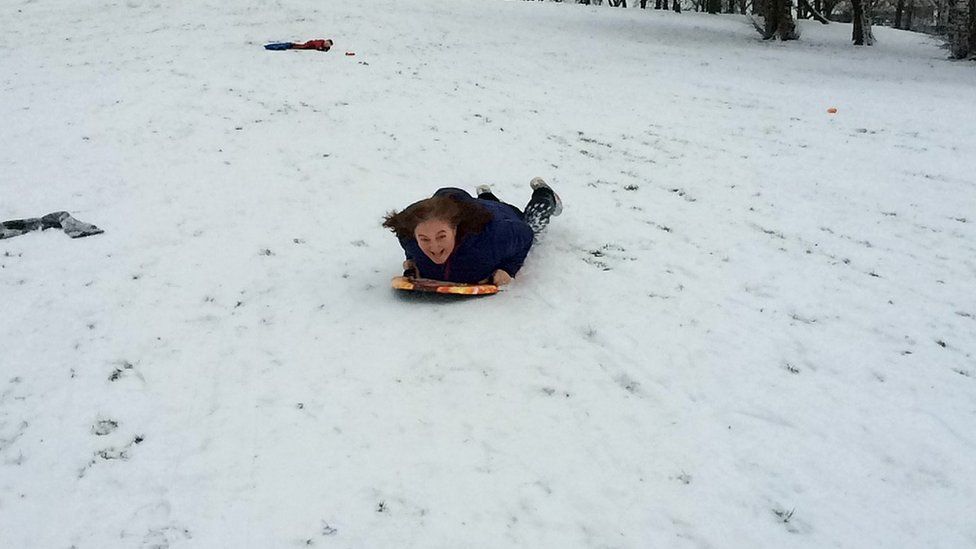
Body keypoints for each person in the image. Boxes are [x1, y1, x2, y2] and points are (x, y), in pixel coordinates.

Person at [382, 177, 562, 285]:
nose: (434, 246)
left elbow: (525, 235)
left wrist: (508, 269)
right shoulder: (409, 234)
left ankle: (545, 195)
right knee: (487, 206)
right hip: (470, 208)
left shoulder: (494, 235)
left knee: (533, 224)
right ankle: (486, 196)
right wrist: (411, 259)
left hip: (503, 216)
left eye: (441, 236)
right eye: (424, 239)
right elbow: (404, 235)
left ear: (455, 229)